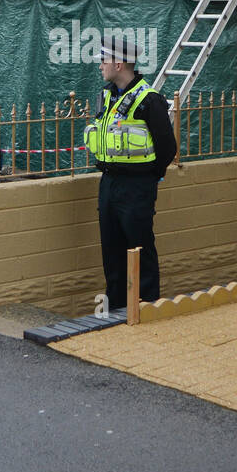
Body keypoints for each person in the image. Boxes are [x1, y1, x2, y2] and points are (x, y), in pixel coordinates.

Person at [84, 35, 177, 311]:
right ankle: (116, 311)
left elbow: (167, 147)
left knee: (139, 248)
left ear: (119, 62)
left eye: (104, 59)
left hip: (137, 186)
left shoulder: (150, 100)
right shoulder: (107, 95)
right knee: (111, 251)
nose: (100, 64)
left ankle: (146, 307)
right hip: (109, 183)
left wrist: (150, 176)